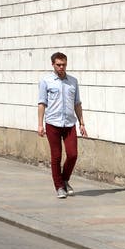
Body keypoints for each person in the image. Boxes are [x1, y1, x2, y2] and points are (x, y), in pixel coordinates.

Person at [38, 52, 87, 198]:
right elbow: (42, 103)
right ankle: (59, 186)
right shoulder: (46, 81)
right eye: (58, 65)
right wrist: (40, 124)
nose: (61, 67)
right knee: (56, 156)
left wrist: (82, 123)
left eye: (64, 64)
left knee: (73, 154)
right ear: (53, 64)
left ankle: (65, 180)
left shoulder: (73, 81)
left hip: (69, 123)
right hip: (52, 123)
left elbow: (77, 103)